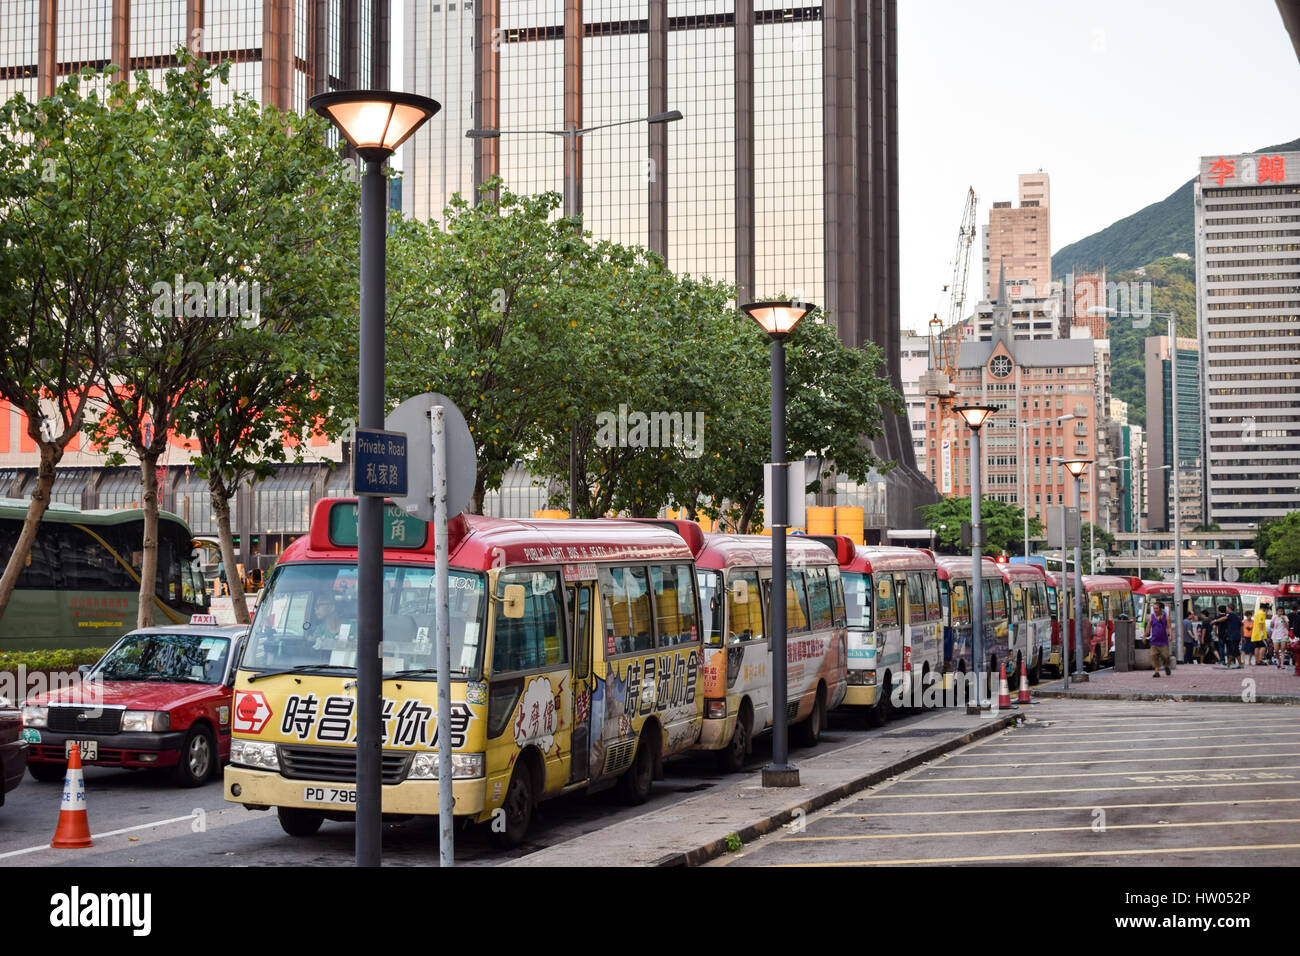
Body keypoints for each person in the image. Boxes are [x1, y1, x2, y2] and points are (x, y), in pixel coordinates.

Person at [1148, 601, 1171, 678]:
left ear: (1161, 608)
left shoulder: (1166, 617)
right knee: (1154, 655)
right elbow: (1148, 628)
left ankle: (1166, 666)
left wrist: (1170, 635)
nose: (1155, 610)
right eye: (1154, 608)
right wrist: (1144, 636)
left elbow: (1169, 627)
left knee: (1165, 656)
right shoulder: (1151, 617)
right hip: (1154, 640)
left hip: (1163, 640)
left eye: (1157, 608)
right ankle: (1156, 672)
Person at [1270, 604, 1291, 669]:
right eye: (1279, 611)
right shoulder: (1274, 617)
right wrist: (1272, 623)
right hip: (1275, 635)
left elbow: (1287, 627)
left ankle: (1282, 664)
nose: (1280, 612)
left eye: (1281, 611)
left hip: (1283, 635)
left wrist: (1284, 620)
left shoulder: (1285, 617)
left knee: (1283, 650)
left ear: (1283, 611)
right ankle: (1278, 661)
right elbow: (1272, 626)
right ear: (1277, 611)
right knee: (1276, 650)